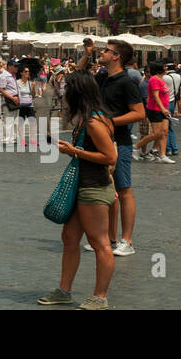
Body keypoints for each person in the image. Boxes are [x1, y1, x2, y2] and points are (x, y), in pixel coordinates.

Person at [38, 71, 119, 310]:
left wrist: (74, 151)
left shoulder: (95, 122)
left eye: (67, 89)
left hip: (92, 188)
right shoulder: (90, 118)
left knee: (100, 243)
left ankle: (100, 296)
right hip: (82, 187)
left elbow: (109, 156)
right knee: (70, 238)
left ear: (78, 93)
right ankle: (64, 290)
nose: (63, 94)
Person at [81, 39, 145, 257]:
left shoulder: (127, 82)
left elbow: (139, 113)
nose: (102, 52)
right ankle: (109, 238)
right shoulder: (101, 77)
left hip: (120, 142)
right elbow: (78, 78)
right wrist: (86, 54)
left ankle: (127, 240)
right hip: (100, 140)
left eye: (106, 50)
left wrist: (110, 122)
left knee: (124, 189)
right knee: (109, 192)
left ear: (116, 56)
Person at [134, 61, 174, 163]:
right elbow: (155, 96)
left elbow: (163, 95)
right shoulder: (154, 79)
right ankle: (135, 147)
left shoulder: (161, 79)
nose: (166, 68)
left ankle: (162, 155)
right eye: (165, 66)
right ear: (159, 69)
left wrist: (166, 108)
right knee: (157, 133)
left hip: (163, 109)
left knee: (164, 132)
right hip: (155, 109)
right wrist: (163, 108)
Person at [0, 58, 20, 145]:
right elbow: (1, 90)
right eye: (15, 66)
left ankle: (13, 138)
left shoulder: (14, 76)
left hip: (16, 100)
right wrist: (12, 98)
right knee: (8, 120)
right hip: (9, 101)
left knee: (15, 120)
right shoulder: (4, 76)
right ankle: (6, 138)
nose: (17, 68)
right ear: (10, 66)